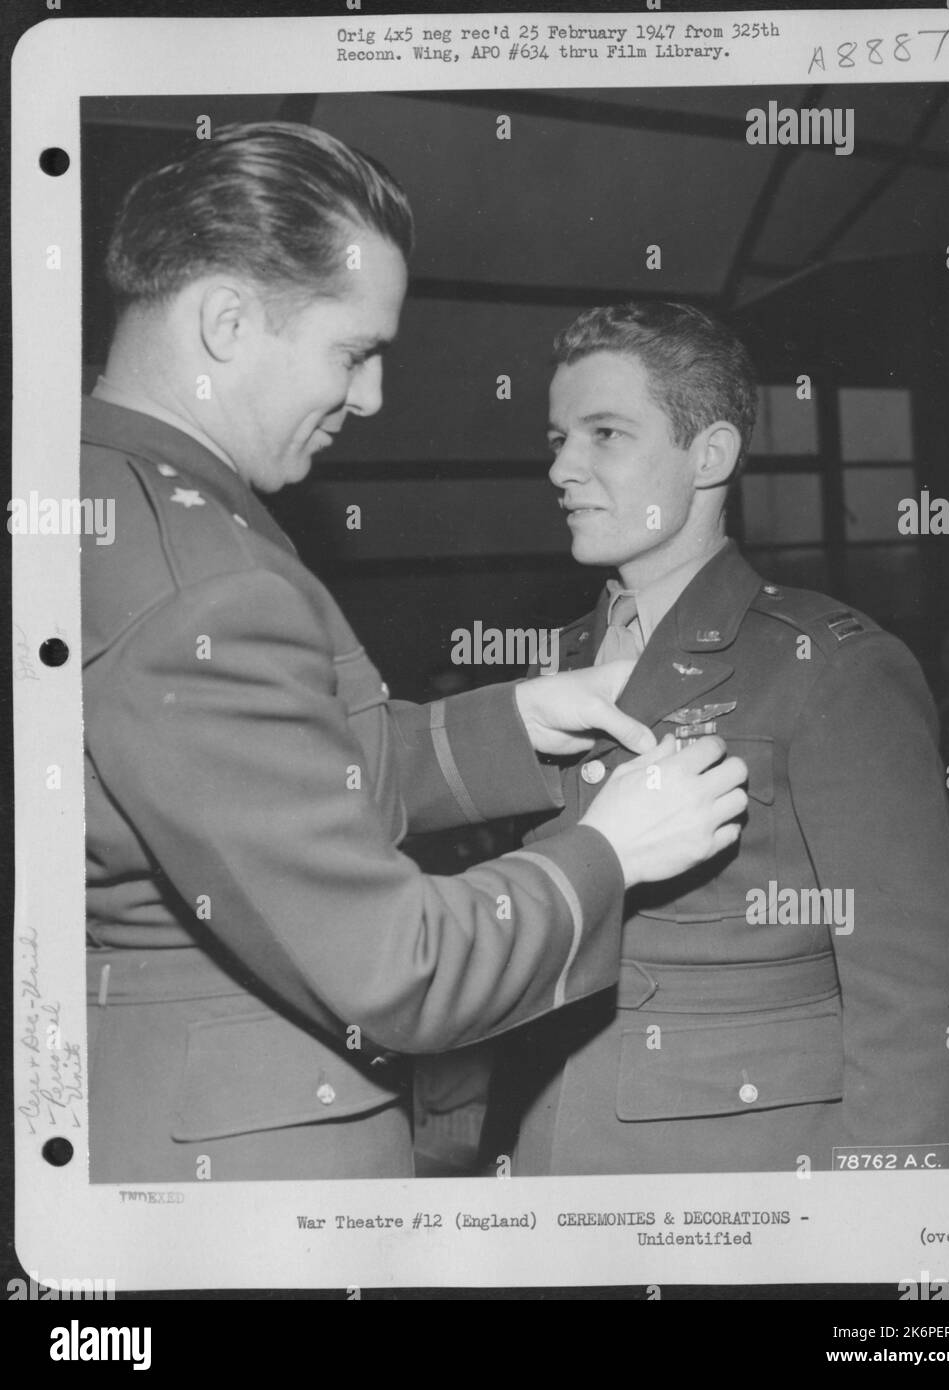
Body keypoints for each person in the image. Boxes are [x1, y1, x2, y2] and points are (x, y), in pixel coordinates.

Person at [81, 127, 748, 1183]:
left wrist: (517, 720)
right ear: (225, 320)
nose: (375, 398)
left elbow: (292, 782)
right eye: (355, 352)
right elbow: (401, 967)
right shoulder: (207, 580)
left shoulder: (116, 500)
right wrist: (611, 849)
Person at [486, 302, 949, 1175]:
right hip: (551, 1146)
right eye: (557, 438)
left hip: (736, 1169)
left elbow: (914, 980)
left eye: (604, 435)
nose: (561, 467)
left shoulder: (830, 666)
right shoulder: (550, 672)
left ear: (708, 455)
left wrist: (890, 1213)